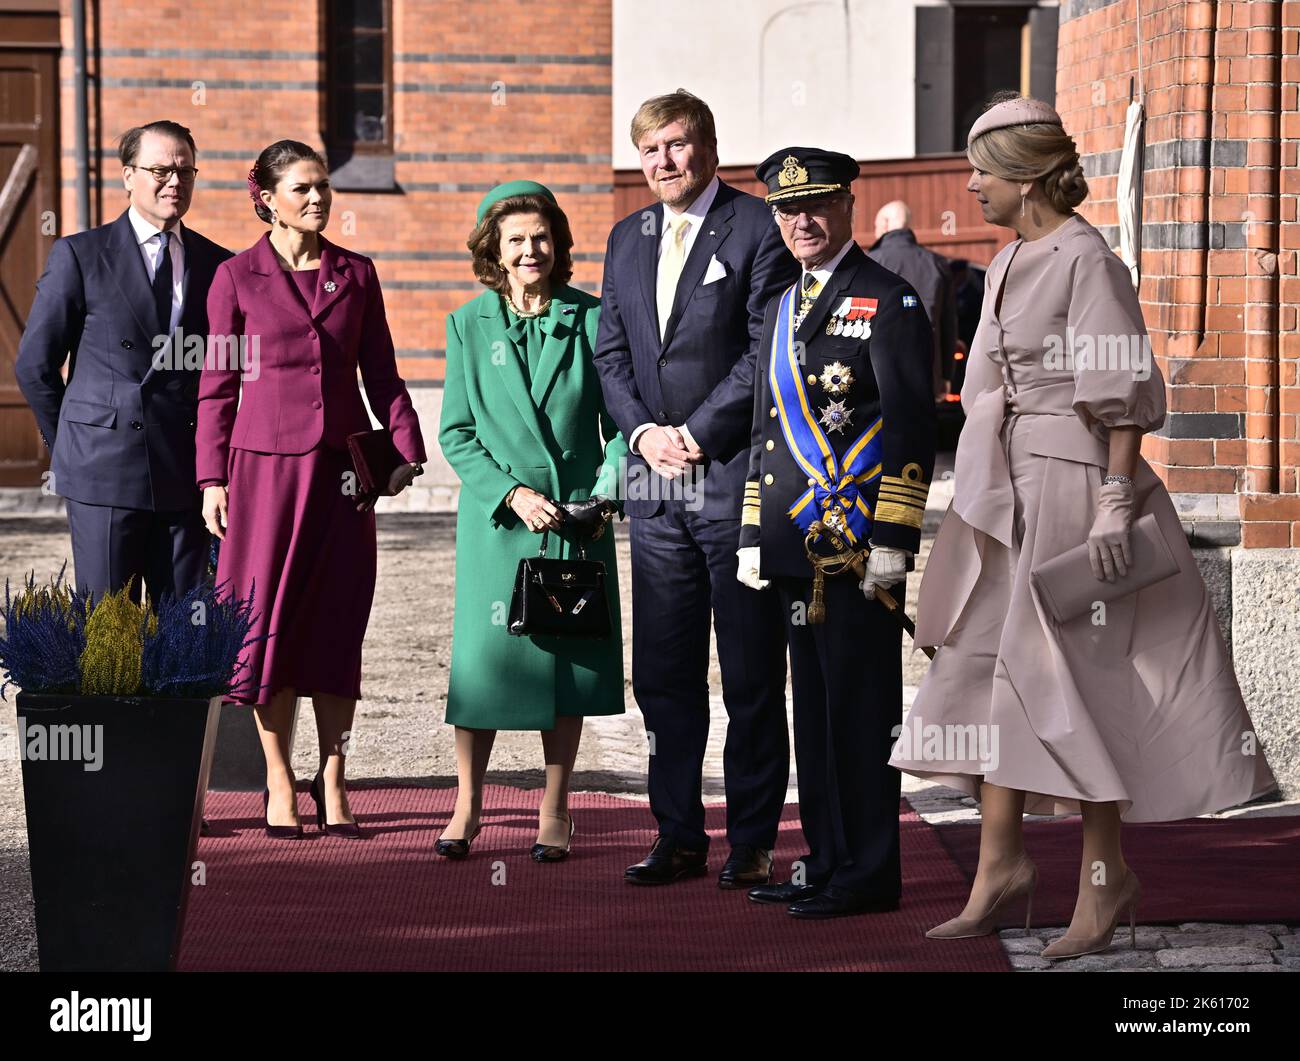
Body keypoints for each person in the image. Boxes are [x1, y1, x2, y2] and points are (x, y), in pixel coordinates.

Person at [891, 95, 1277, 958]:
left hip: (1072, 486)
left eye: (982, 173)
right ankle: (1002, 869)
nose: (970, 186)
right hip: (1005, 491)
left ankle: (1105, 885)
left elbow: (1125, 392)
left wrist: (1113, 501)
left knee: (1073, 684)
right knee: (986, 671)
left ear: (1026, 176)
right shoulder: (1006, 261)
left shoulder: (1088, 261)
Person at [593, 90, 798, 889]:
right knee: (664, 672)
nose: (663, 162)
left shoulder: (756, 229)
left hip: (733, 478)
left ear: (708, 147)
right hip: (652, 483)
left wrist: (697, 433)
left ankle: (751, 837)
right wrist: (642, 435)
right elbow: (611, 356)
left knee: (748, 667)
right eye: (649, 150)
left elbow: (763, 350)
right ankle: (678, 832)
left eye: (676, 145)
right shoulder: (625, 237)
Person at [196, 140, 426, 839]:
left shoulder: (356, 273)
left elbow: (381, 372)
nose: (318, 199)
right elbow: (216, 388)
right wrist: (210, 477)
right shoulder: (235, 278)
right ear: (265, 196)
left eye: (323, 187)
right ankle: (276, 778)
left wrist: (407, 446)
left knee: (336, 620)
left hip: (343, 474)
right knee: (268, 625)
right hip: (261, 473)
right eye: (302, 189)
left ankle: (332, 774)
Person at [738, 148, 937, 919]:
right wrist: (753, 532)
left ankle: (869, 873)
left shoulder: (890, 299)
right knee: (813, 714)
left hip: (859, 544)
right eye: (788, 210)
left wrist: (896, 538)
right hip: (794, 542)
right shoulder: (782, 306)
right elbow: (764, 432)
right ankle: (824, 859)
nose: (802, 221)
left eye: (817, 204)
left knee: (860, 712)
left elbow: (912, 426)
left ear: (851, 204)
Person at [437, 180, 626, 862]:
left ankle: (556, 804)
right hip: (499, 521)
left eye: (541, 237)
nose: (530, 250)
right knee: (484, 663)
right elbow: (456, 432)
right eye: (515, 239)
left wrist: (603, 495)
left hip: (574, 521)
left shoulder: (595, 319)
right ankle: (468, 802)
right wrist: (511, 493)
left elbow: (621, 426)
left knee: (565, 661)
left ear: (559, 244)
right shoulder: (466, 324)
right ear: (494, 248)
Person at [16, 120, 232, 606]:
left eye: (185, 171)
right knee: (107, 633)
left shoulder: (219, 264)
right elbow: (35, 366)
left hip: (184, 470)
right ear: (128, 176)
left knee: (183, 637)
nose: (175, 182)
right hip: (104, 471)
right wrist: (74, 440)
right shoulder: (80, 254)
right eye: (160, 170)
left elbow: (224, 370)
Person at [868, 200, 958, 399]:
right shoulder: (937, 263)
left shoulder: (870, 263)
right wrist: (945, 376)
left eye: (875, 227)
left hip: (879, 377)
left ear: (884, 224)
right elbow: (948, 325)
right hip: (927, 373)